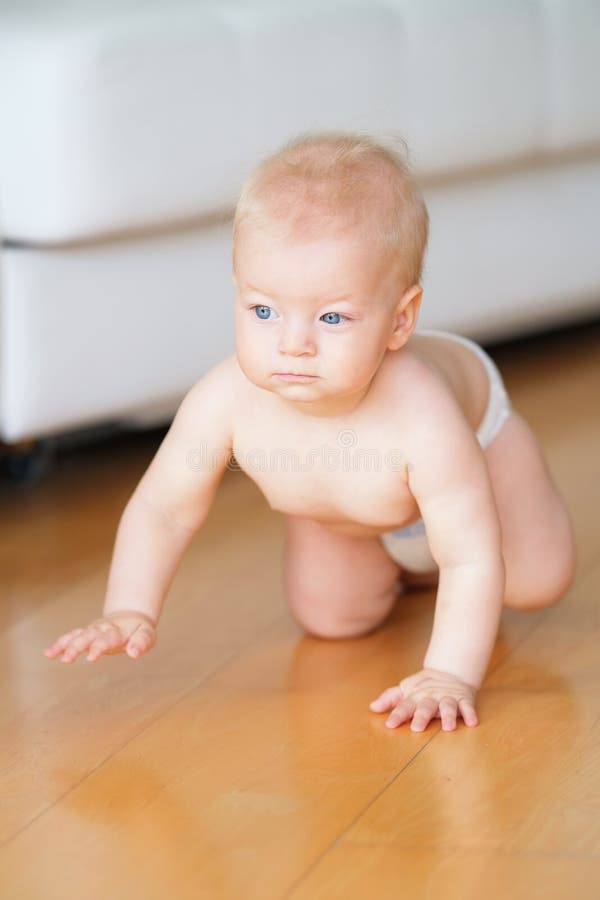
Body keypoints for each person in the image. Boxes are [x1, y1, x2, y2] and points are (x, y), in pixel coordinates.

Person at [43, 131, 576, 733]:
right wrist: (128, 608)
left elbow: (473, 555)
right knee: (331, 617)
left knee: (534, 577)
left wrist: (449, 673)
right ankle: (407, 565)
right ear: (238, 296)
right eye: (264, 311)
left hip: (479, 445)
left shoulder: (423, 413)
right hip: (349, 504)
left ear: (400, 320)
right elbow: (163, 508)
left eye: (332, 317)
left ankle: (425, 561)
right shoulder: (225, 399)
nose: (293, 343)